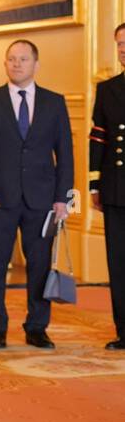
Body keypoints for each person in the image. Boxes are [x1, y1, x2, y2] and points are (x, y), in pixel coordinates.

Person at [0, 39, 74, 348]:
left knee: (39, 266)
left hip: (42, 200)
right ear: (5, 63)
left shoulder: (55, 102)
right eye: (11, 59)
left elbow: (65, 153)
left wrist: (62, 198)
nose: (17, 64)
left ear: (35, 65)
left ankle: (37, 327)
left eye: (23, 59)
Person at [90, 22, 125, 350]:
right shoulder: (108, 89)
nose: (123, 49)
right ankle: (124, 331)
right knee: (118, 262)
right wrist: (94, 185)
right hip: (117, 189)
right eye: (119, 44)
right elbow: (98, 138)